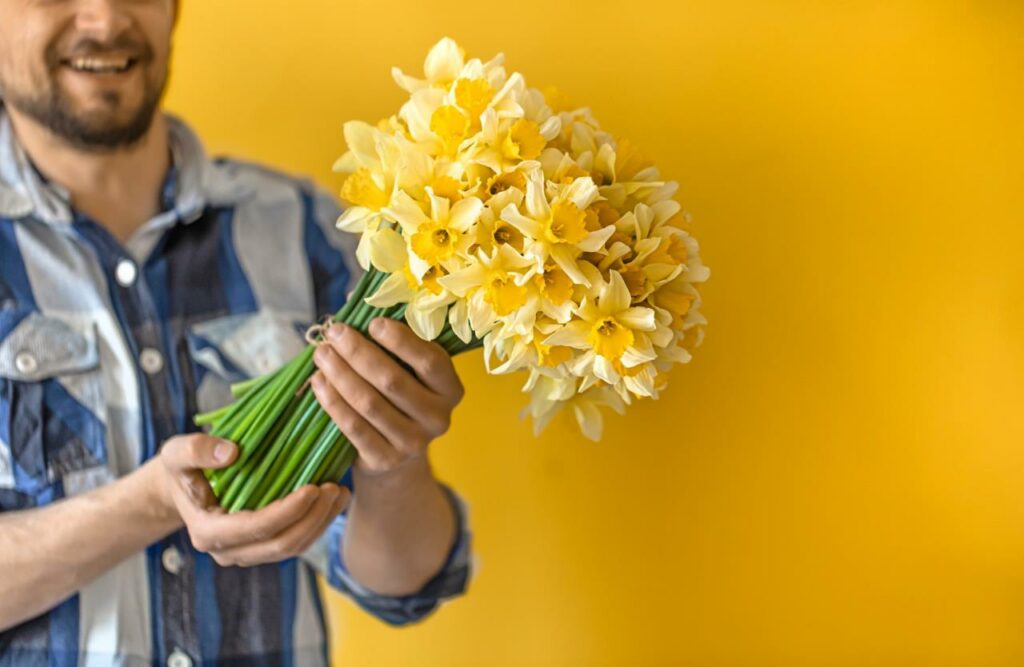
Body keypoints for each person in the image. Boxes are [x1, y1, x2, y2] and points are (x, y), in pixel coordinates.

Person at [0, 1, 472, 664]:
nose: (104, 20)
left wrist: (395, 462)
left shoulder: (307, 226)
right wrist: (155, 501)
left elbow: (401, 581)